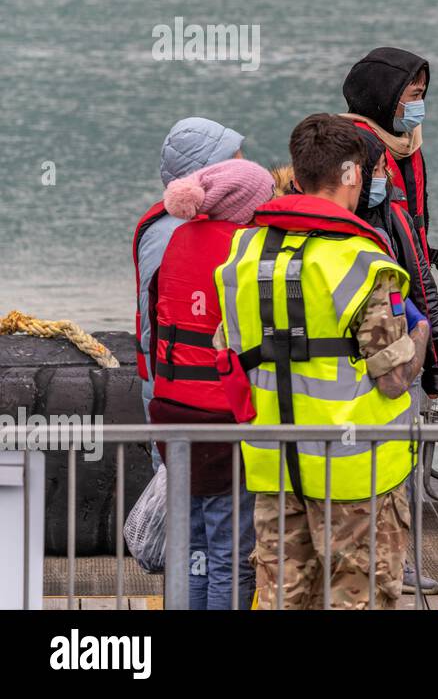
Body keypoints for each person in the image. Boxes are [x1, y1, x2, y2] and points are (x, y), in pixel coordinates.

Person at [214, 114, 430, 610]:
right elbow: (395, 378)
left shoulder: (242, 252)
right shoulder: (360, 261)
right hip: (355, 474)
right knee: (358, 598)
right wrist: (419, 333)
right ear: (352, 174)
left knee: (281, 598)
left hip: (274, 466)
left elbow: (228, 346)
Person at [148, 158, 275, 610]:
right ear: (248, 205)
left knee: (193, 549)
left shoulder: (177, 240)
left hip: (171, 412)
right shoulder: (247, 250)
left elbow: (156, 321)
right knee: (231, 553)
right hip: (223, 417)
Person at [355, 128, 438, 595]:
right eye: (377, 171)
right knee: (379, 473)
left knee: (398, 471)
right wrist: (425, 342)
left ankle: (396, 562)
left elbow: (418, 291)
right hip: (372, 377)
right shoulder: (357, 233)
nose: (385, 179)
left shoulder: (388, 218)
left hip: (392, 368)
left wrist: (436, 354)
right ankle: (382, 566)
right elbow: (413, 297)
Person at [134, 117, 245, 442]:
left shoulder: (192, 226)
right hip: (180, 395)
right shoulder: (171, 233)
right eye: (234, 157)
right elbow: (158, 324)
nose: (243, 163)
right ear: (208, 170)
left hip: (192, 392)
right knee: (179, 483)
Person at [342, 47, 438, 269]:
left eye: (422, 94)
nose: (420, 103)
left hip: (410, 269)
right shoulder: (352, 147)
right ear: (386, 97)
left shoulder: (407, 142)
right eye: (414, 95)